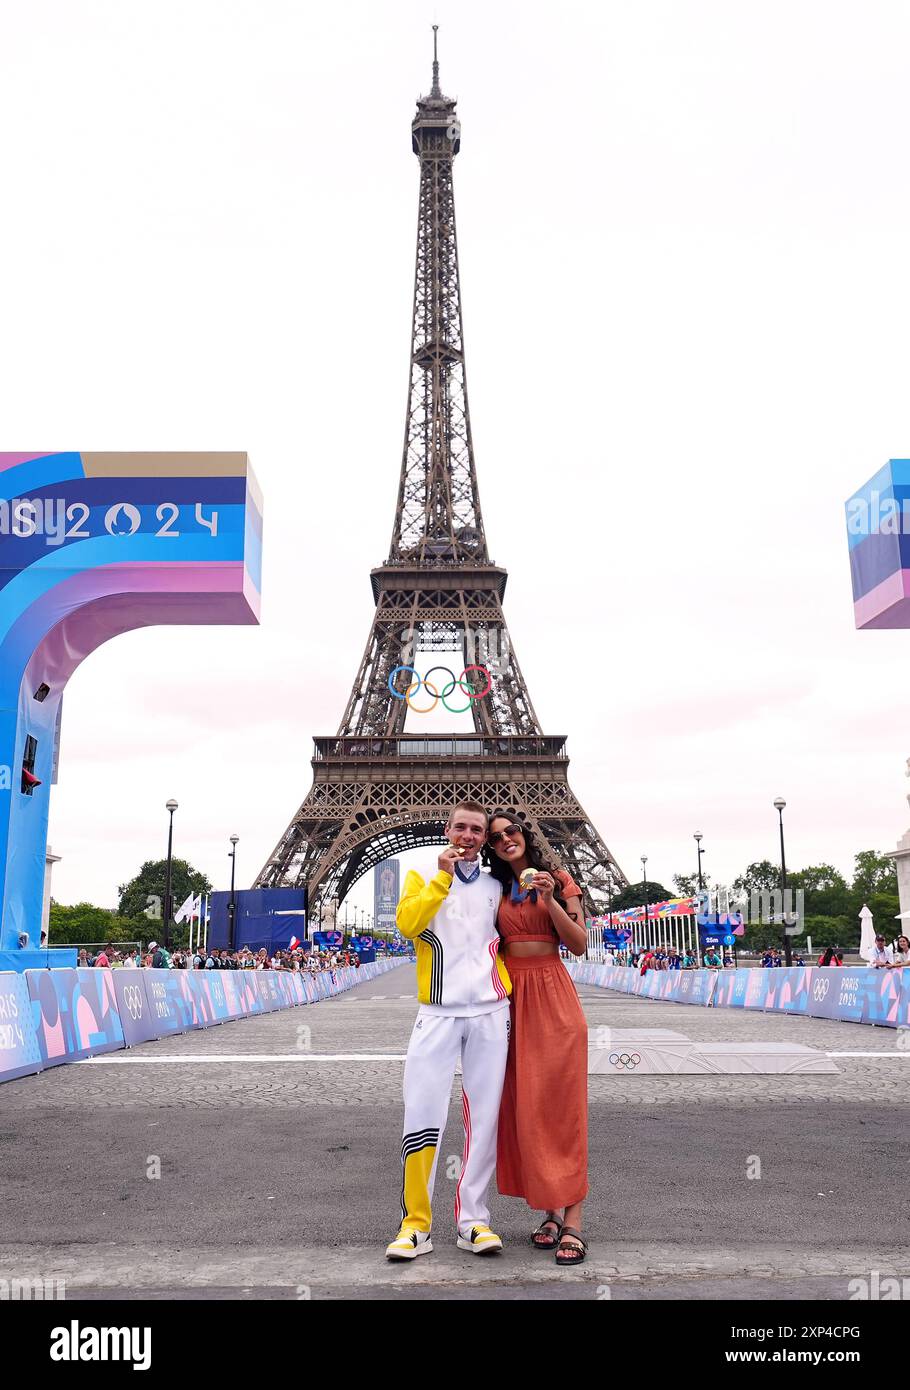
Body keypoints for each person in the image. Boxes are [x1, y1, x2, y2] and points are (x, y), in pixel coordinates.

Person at [385, 801, 511, 1262]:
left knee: (484, 1118)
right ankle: (415, 1225)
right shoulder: (420, 878)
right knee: (421, 1114)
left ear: (484, 838)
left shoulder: (499, 886)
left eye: (477, 830)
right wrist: (442, 876)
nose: (468, 835)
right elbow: (407, 925)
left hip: (491, 1011)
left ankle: (473, 1220)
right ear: (448, 829)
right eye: (461, 827)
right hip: (436, 1012)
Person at [484, 812, 589, 1267]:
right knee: (526, 1108)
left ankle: (574, 1221)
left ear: (525, 834)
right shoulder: (494, 889)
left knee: (562, 1107)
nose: (506, 839)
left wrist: (548, 898)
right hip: (510, 998)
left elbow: (579, 943)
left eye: (512, 831)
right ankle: (548, 1212)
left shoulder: (561, 880)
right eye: (496, 836)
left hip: (552, 993)